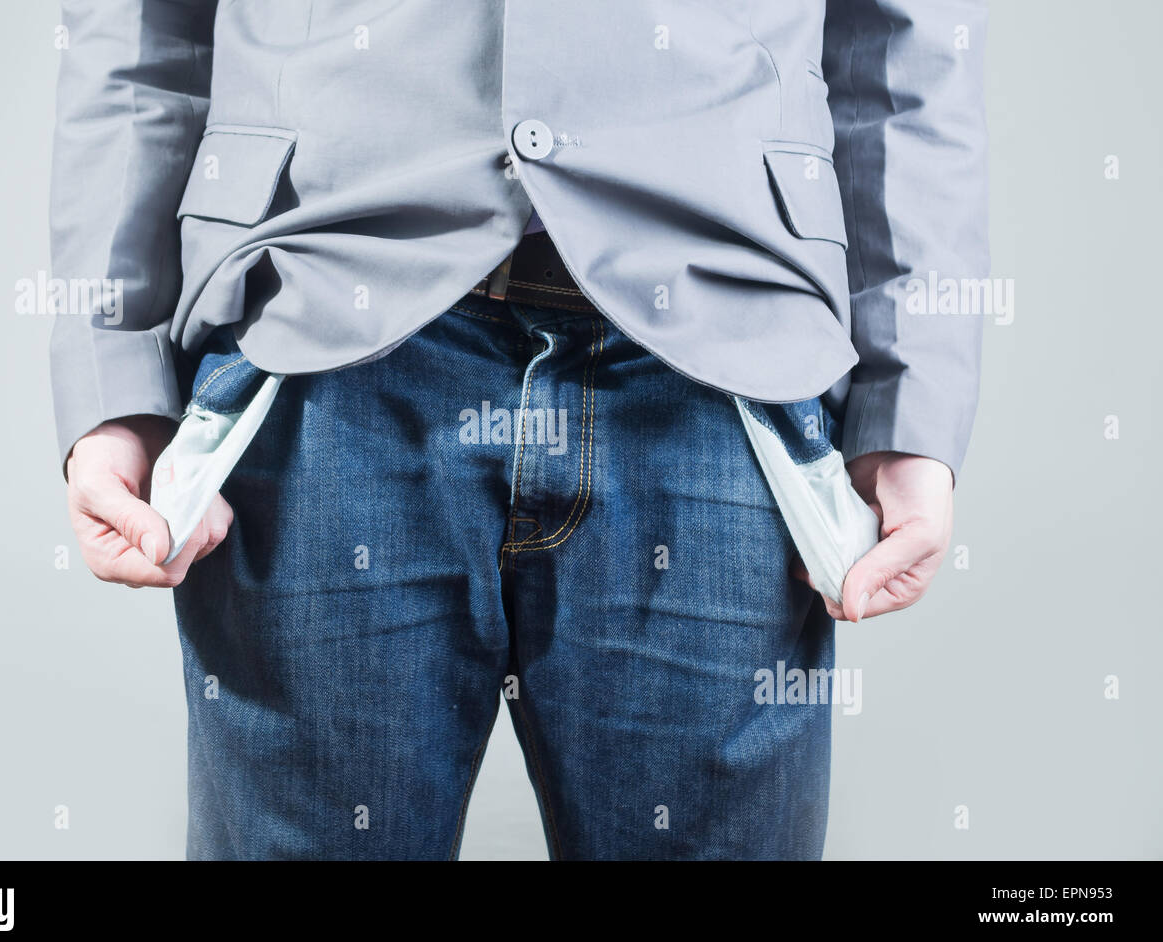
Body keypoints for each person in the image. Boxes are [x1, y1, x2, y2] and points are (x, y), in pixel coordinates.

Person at [51, 1, 988, 859]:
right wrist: (116, 373)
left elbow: (906, 43)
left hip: (720, 351)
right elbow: (140, 32)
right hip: (320, 323)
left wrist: (910, 404)